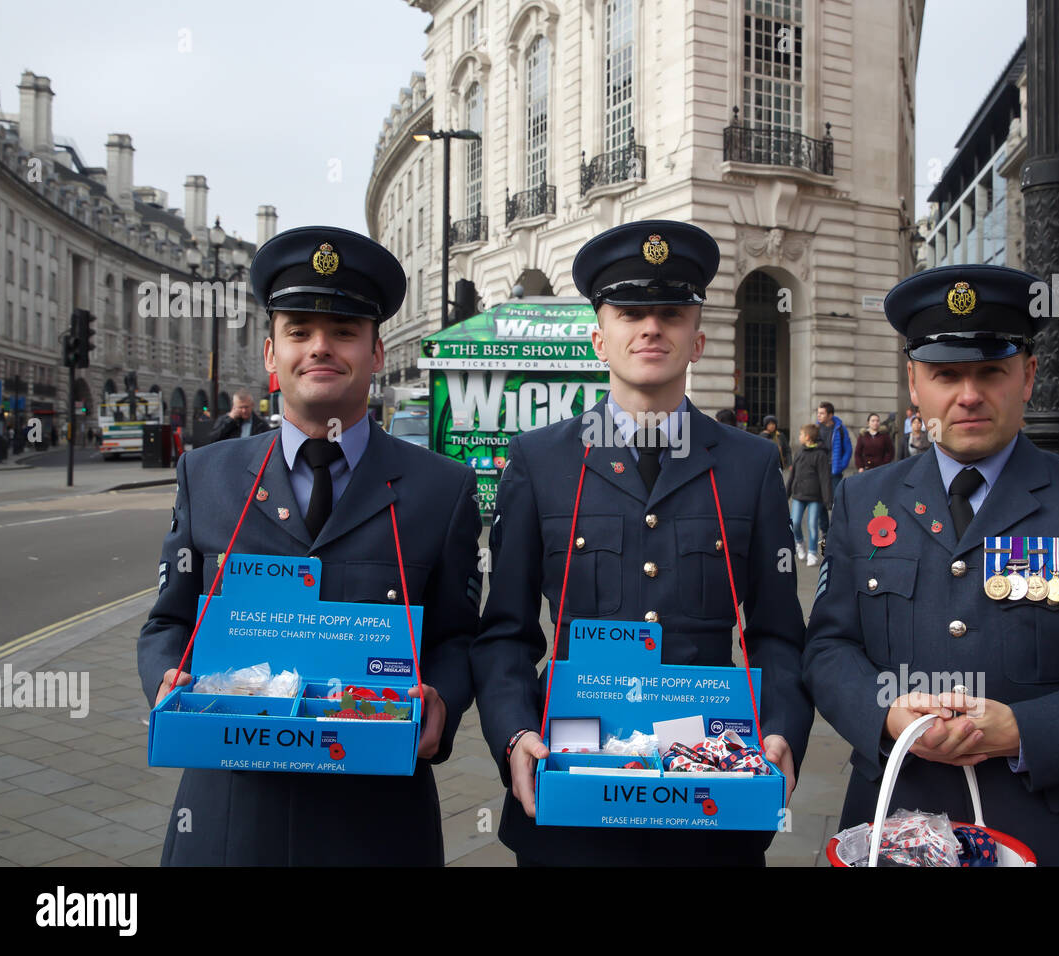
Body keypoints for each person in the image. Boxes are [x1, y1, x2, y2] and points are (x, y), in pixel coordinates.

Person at [803, 264, 1059, 866]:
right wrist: (885, 713)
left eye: (991, 371)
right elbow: (828, 647)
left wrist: (1025, 731)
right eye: (945, 374)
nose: (968, 395)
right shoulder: (864, 500)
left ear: (1028, 377)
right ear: (914, 383)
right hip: (897, 819)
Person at [137, 226, 482, 865]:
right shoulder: (206, 475)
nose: (320, 347)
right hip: (231, 815)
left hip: (378, 822)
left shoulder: (443, 490)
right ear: (271, 354)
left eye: (345, 330)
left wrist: (441, 697)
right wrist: (166, 680)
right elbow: (167, 619)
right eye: (299, 331)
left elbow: (459, 638)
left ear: (377, 352)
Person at [471, 219, 812, 867]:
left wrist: (780, 729)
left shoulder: (749, 465)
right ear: (600, 338)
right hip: (572, 793)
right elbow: (507, 633)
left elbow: (777, 633)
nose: (650, 327)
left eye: (670, 313)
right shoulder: (541, 462)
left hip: (710, 791)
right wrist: (514, 731)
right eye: (630, 312)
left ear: (698, 338)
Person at [786, 424, 831, 566]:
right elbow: (792, 474)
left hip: (815, 497)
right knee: (795, 523)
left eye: (800, 434)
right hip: (798, 495)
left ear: (808, 437)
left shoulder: (821, 454)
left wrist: (828, 500)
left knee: (812, 525)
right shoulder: (799, 452)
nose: (799, 437)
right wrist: (786, 493)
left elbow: (825, 478)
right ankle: (799, 543)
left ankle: (812, 553)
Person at [815, 402, 851, 540]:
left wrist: (841, 465)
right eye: (818, 413)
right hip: (819, 472)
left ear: (830, 415)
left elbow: (848, 449)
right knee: (820, 502)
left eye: (822, 413)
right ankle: (824, 530)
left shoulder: (840, 428)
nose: (819, 415)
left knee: (837, 500)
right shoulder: (816, 428)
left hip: (834, 471)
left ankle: (836, 529)